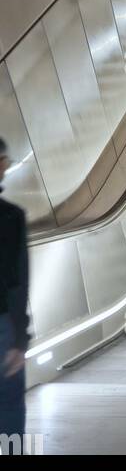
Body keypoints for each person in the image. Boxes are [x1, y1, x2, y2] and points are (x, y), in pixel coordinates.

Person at [0, 136, 28, 444]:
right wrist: (21, 338)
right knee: (7, 414)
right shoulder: (10, 218)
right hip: (3, 328)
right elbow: (18, 283)